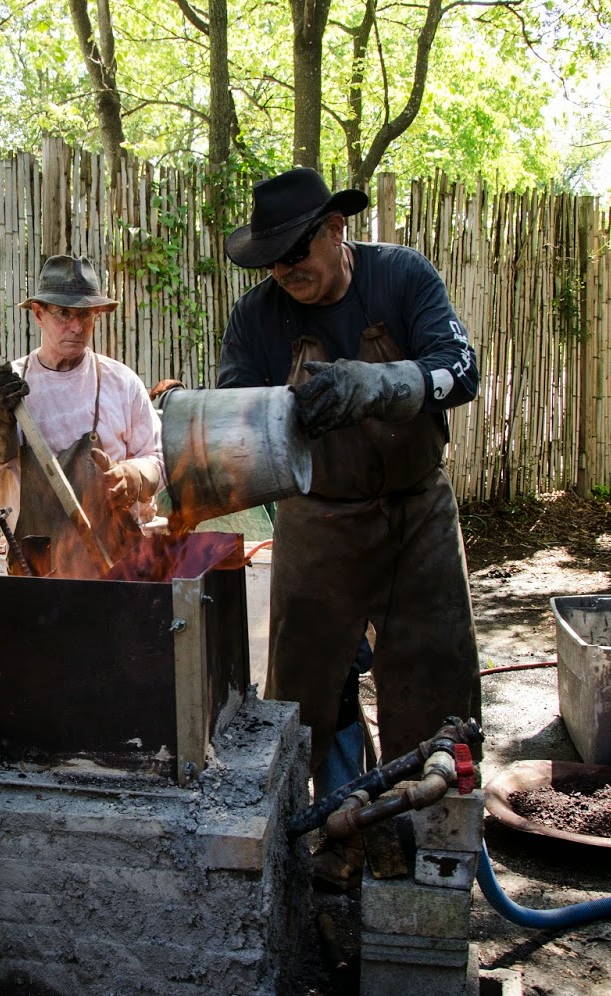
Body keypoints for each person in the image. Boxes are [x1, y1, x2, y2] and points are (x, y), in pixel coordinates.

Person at [217, 167, 482, 796]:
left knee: (435, 678)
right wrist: (275, 415)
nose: (283, 271)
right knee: (304, 688)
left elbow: (462, 370)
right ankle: (329, 818)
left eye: (295, 254)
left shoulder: (402, 276)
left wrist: (382, 384)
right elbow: (235, 414)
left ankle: (430, 819)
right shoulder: (256, 316)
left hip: (417, 516)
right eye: (272, 261)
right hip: (316, 520)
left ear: (336, 229)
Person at [0, 255, 163, 578]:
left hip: (115, 570)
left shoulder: (122, 385)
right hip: (35, 574)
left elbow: (159, 459)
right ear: (38, 314)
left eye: (85, 315)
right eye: (64, 314)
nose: (77, 327)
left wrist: (134, 475)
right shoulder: (5, 390)